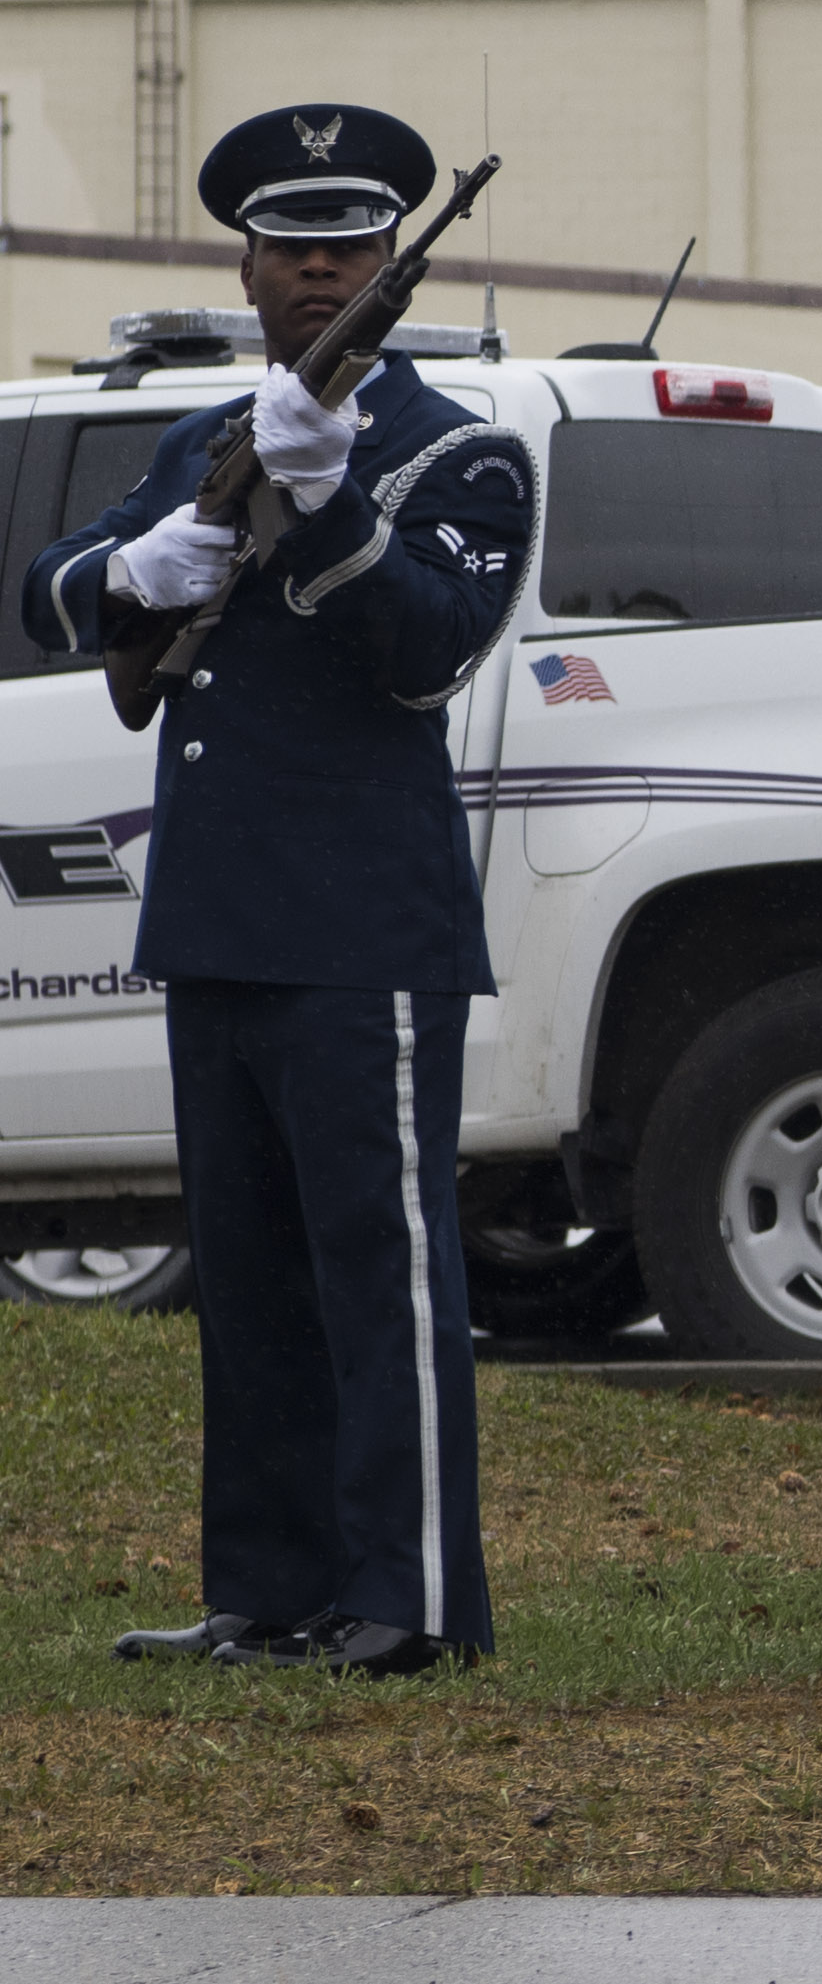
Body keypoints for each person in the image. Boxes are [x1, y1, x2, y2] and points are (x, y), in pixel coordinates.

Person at [33, 105, 532, 1677]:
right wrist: (141, 569)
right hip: (219, 907)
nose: (321, 266)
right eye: (291, 242)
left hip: (362, 920)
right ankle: (267, 1587)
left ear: (390, 259)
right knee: (247, 1281)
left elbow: (427, 650)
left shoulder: (461, 444)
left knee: (379, 1274)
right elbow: (56, 586)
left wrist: (329, 510)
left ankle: (414, 1597)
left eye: (351, 241)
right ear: (244, 266)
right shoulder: (201, 441)